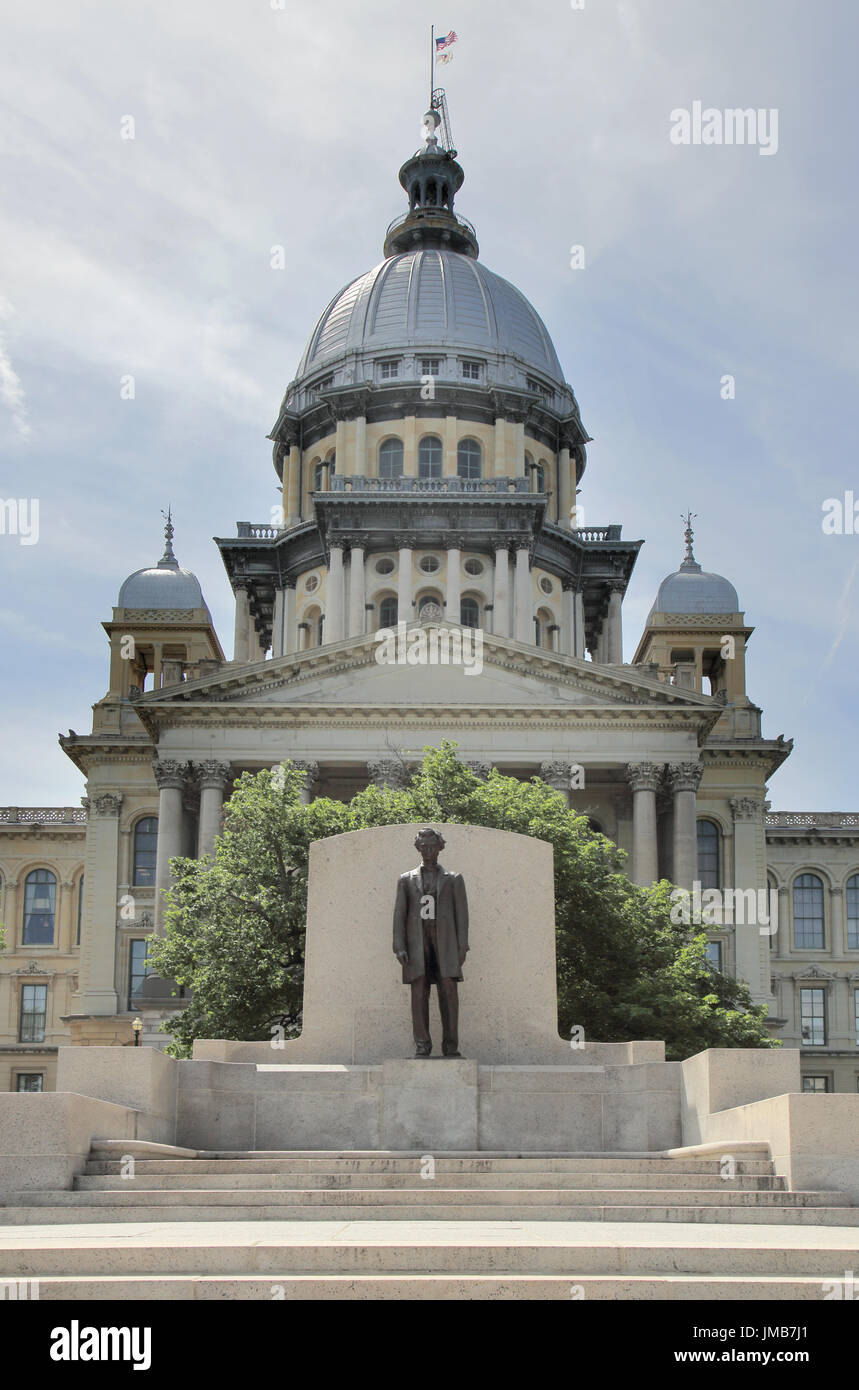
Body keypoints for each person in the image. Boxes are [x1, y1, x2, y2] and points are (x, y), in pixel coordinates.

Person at [392, 828, 469, 1057]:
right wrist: (400, 946)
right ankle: (422, 1045)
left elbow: (462, 916)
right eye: (423, 846)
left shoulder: (454, 879)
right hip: (418, 941)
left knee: (449, 991)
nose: (427, 850)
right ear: (418, 848)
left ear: (440, 847)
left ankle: (451, 1046)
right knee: (419, 991)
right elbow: (399, 914)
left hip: (444, 942)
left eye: (432, 846)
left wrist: (462, 946)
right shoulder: (406, 879)